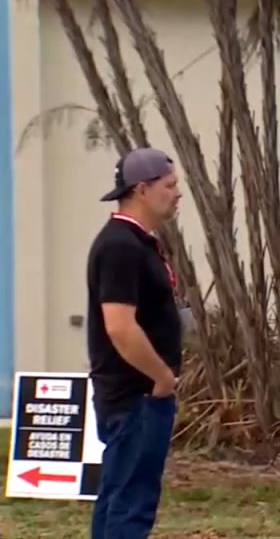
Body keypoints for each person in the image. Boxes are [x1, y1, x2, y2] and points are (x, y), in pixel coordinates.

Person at [87, 148, 183, 538]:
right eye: (170, 185)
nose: (178, 194)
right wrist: (160, 378)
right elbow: (120, 327)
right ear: (141, 190)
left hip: (138, 397)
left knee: (119, 497)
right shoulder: (120, 247)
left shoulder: (136, 243)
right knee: (131, 505)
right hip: (136, 397)